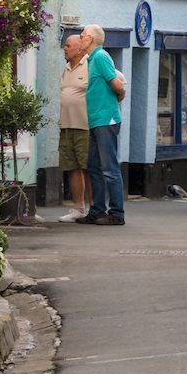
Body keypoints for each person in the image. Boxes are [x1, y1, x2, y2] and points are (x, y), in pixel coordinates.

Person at [75, 23, 126, 225]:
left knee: (109, 168)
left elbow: (117, 84)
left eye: (82, 35)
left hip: (106, 120)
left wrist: (119, 96)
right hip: (96, 120)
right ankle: (97, 211)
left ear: (91, 39)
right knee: (93, 166)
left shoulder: (101, 56)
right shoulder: (91, 59)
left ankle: (117, 214)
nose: (80, 38)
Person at [58, 33, 90, 222]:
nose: (64, 48)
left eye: (68, 45)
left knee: (88, 168)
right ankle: (79, 208)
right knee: (72, 167)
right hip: (67, 125)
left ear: (79, 48)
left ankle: (95, 208)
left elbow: (117, 82)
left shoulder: (91, 64)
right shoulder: (66, 68)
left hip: (84, 126)